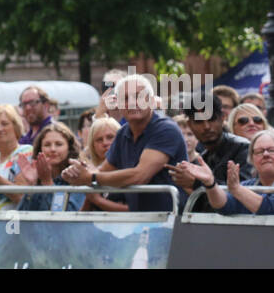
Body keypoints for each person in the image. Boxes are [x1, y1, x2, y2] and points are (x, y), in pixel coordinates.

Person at [70, 75, 187, 212]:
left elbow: (139, 176)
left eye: (138, 96)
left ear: (150, 100)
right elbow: (103, 170)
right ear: (118, 104)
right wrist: (76, 172)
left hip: (170, 222)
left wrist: (91, 177)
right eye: (125, 98)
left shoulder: (166, 129)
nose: (132, 103)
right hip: (138, 223)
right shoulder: (123, 133)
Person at [195, 130, 274, 216]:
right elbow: (223, 205)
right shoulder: (247, 186)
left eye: (272, 150)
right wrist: (210, 184)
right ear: (251, 160)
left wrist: (237, 190)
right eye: (259, 152)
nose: (266, 155)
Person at [20, 123, 84, 212]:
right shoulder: (38, 178)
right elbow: (22, 216)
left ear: (69, 148)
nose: (53, 149)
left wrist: (48, 183)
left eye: (59, 144)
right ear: (40, 149)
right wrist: (32, 186)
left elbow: (69, 216)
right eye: (47, 145)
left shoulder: (77, 177)